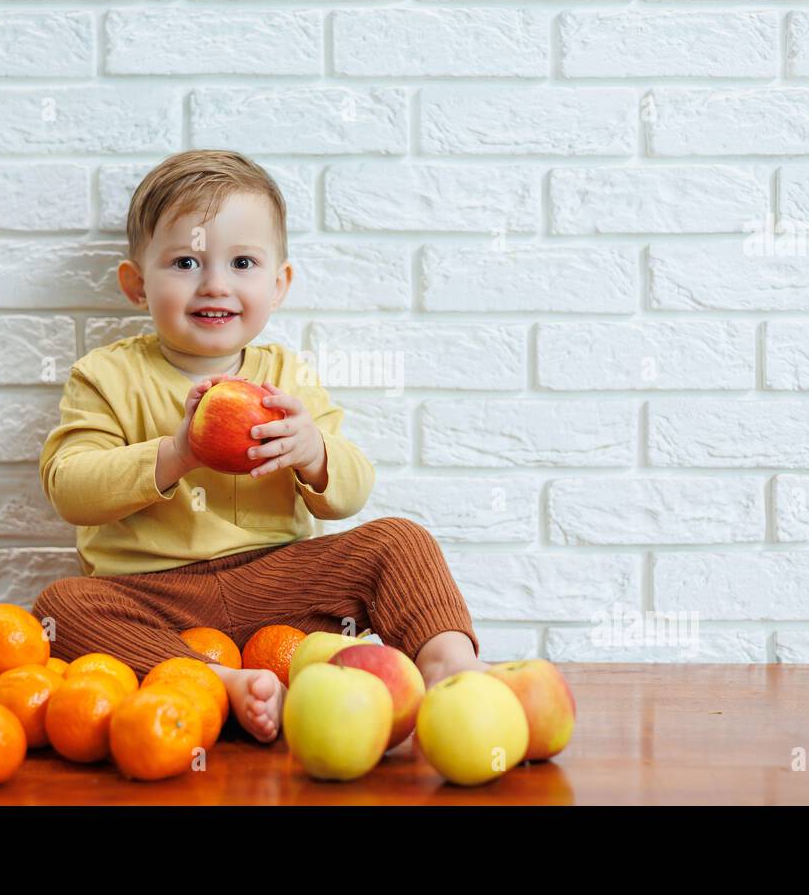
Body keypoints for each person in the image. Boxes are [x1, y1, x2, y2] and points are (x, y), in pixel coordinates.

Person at [32, 149, 487, 743]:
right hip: (154, 599)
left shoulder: (286, 377)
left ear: (279, 285)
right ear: (136, 285)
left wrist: (314, 452)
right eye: (186, 261)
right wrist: (177, 452)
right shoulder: (104, 376)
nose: (214, 284)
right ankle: (217, 683)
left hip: (278, 591)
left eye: (242, 262)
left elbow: (348, 494)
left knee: (399, 539)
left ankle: (453, 676)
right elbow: (70, 488)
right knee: (57, 607)